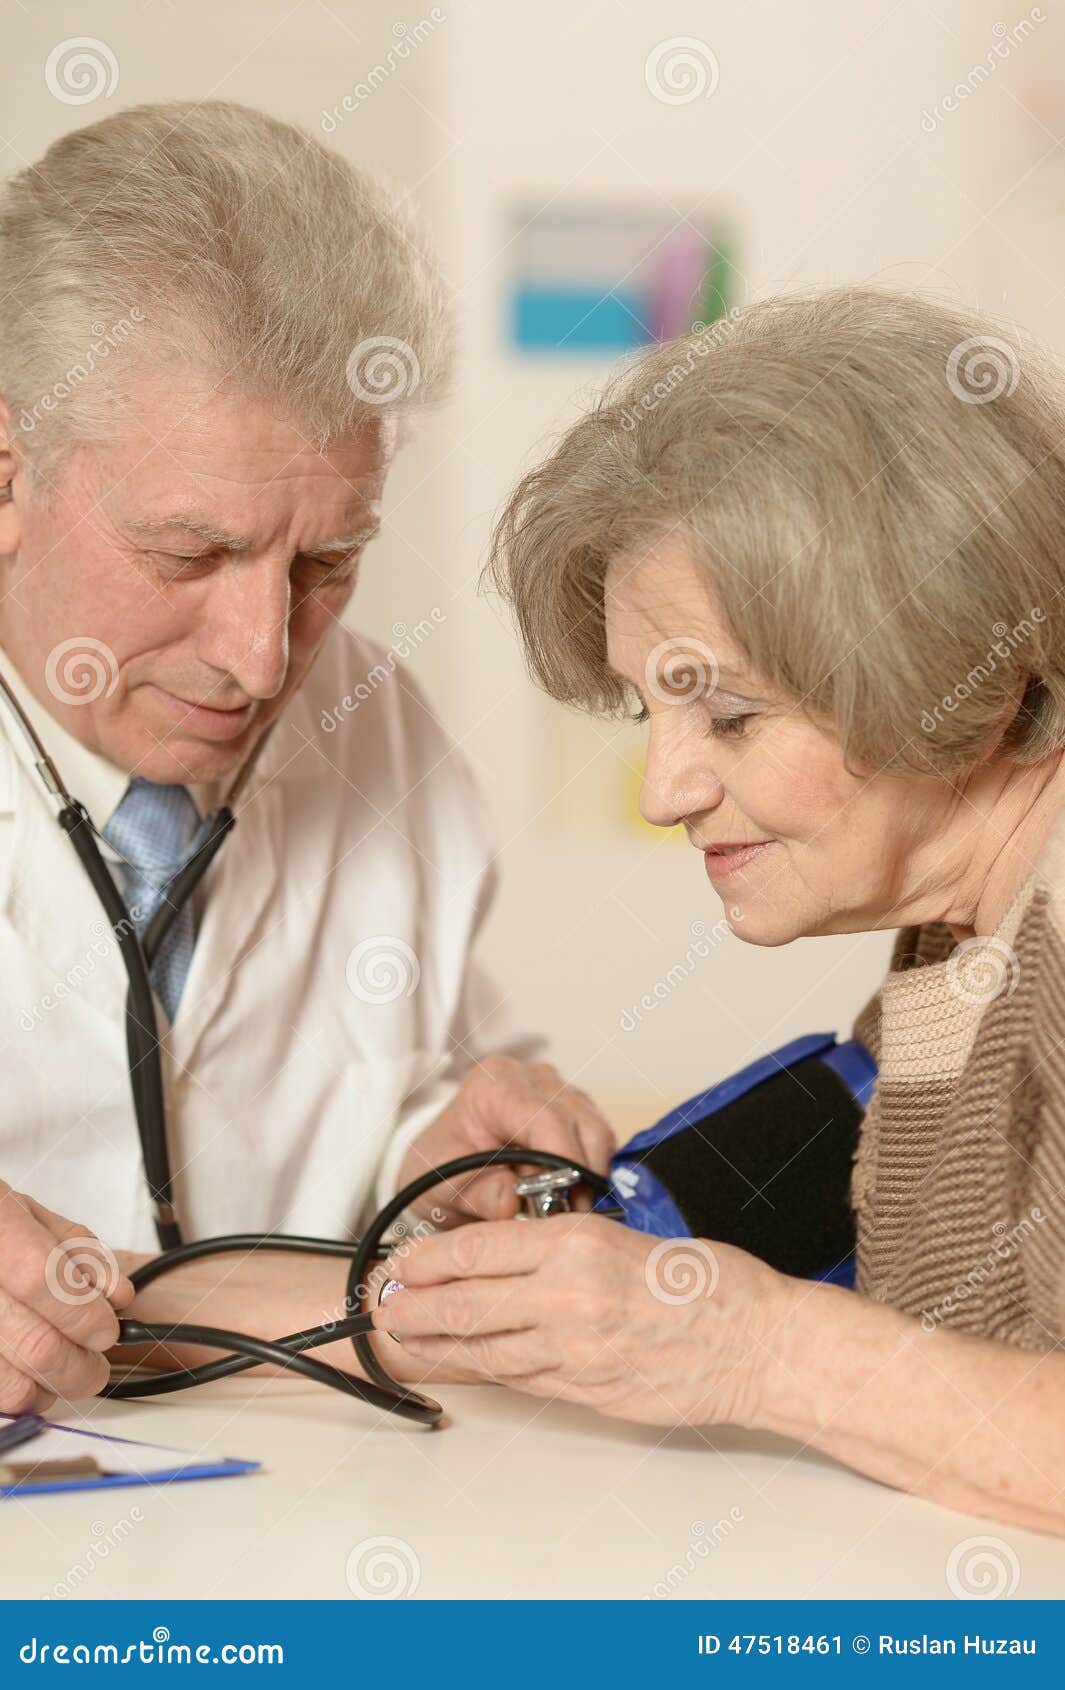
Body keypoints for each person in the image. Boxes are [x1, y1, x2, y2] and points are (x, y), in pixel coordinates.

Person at [370, 286, 1065, 1536]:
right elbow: (674, 1239)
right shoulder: (962, 942)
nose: (663, 792)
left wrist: (759, 1350)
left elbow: (753, 1331)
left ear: (962, 653)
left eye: (732, 716)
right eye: (653, 713)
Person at [0, 101, 612, 1417]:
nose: (264, 655)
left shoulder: (377, 725)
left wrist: (439, 1161)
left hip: (313, 1498)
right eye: (192, 553)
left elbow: (394, 1081)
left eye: (329, 559)